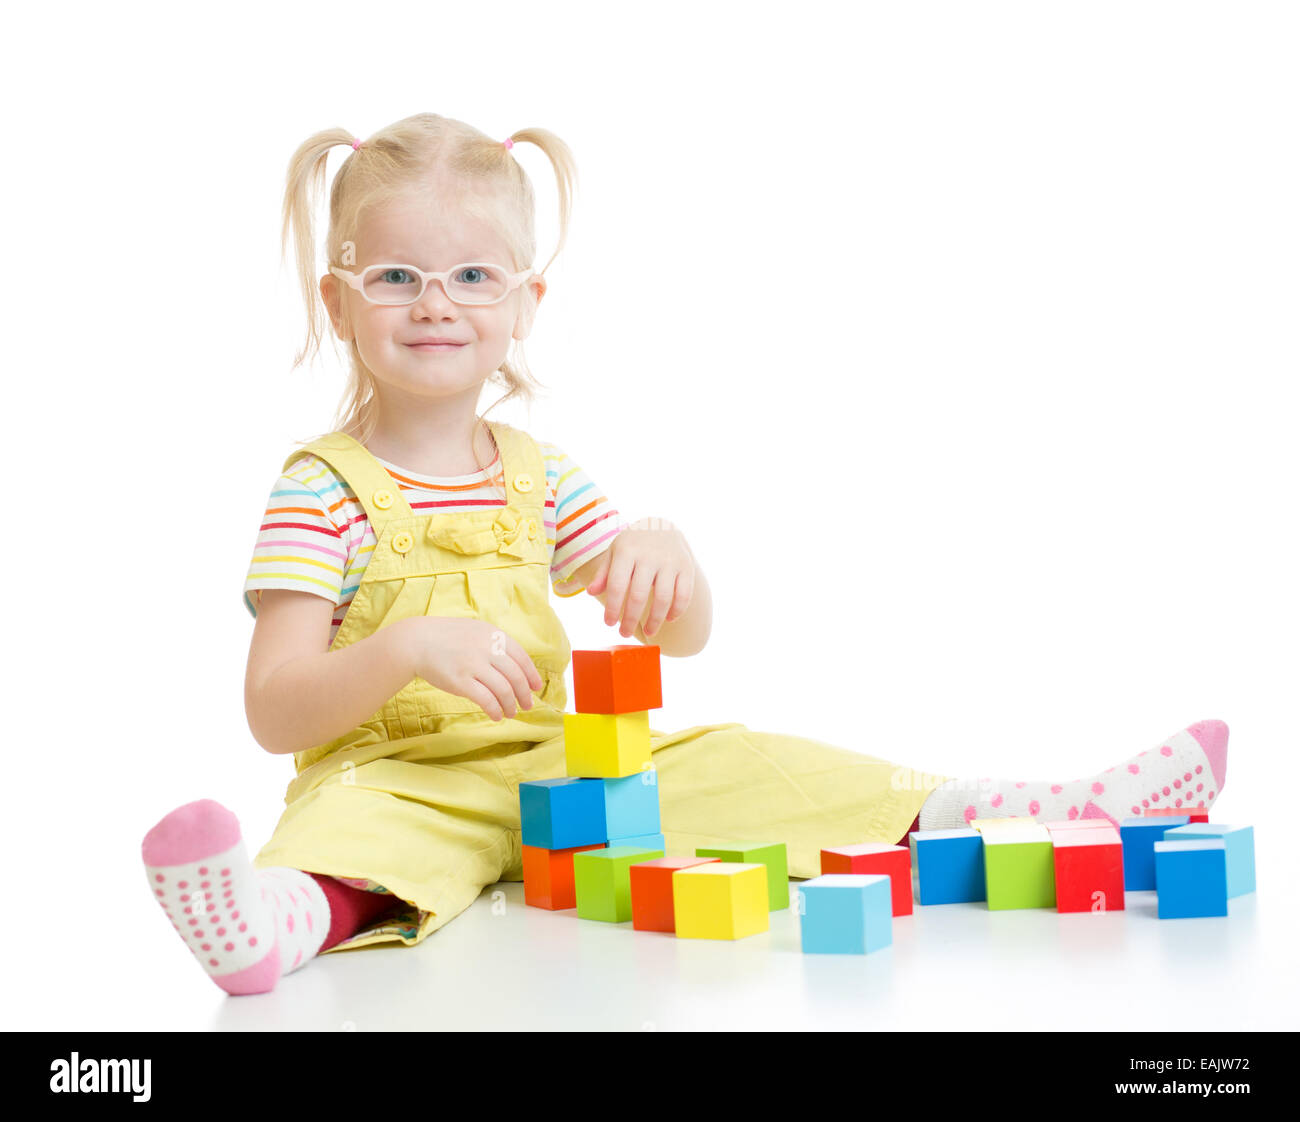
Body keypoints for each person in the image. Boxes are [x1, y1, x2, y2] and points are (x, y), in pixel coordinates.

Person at [141, 112, 1230, 996]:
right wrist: (407, 647)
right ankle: (267, 924)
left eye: (474, 276)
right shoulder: (319, 488)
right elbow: (274, 709)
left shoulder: (536, 472)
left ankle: (1045, 806)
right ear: (340, 301)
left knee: (746, 760)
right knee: (358, 834)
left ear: (525, 304)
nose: (436, 303)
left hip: (564, 770)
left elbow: (680, 632)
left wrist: (674, 566)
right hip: (398, 782)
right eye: (395, 278)